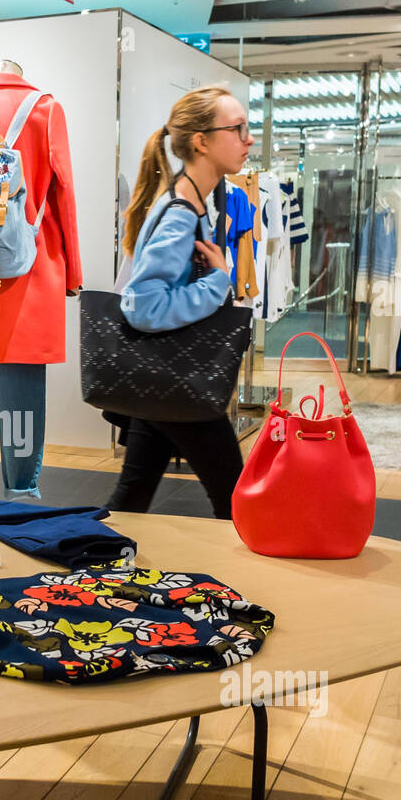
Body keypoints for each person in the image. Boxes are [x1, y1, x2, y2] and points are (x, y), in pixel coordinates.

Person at [104, 86, 254, 519]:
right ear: (201, 141)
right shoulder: (181, 212)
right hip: (181, 383)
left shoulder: (185, 201)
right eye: (237, 128)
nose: (248, 139)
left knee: (130, 500)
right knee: (237, 500)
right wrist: (219, 281)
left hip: (161, 378)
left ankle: (89, 570)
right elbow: (144, 305)